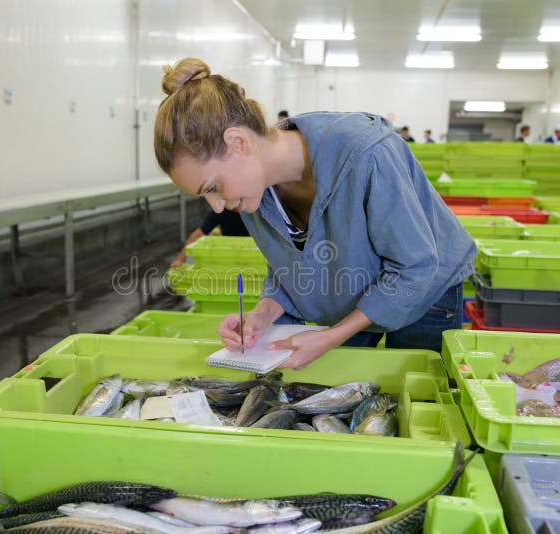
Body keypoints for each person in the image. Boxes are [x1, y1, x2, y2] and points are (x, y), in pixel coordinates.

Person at [153, 58, 476, 369]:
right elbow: (290, 269)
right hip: (352, 295)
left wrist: (333, 336)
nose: (217, 206)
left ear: (238, 142)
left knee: (418, 395)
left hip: (424, 294)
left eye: (212, 187)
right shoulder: (252, 191)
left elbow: (415, 267)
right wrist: (263, 313)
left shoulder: (367, 154)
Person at [169, 209, 249, 269]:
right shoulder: (220, 210)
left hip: (251, 244)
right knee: (213, 235)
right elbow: (197, 234)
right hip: (229, 245)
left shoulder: (253, 210)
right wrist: (180, 260)